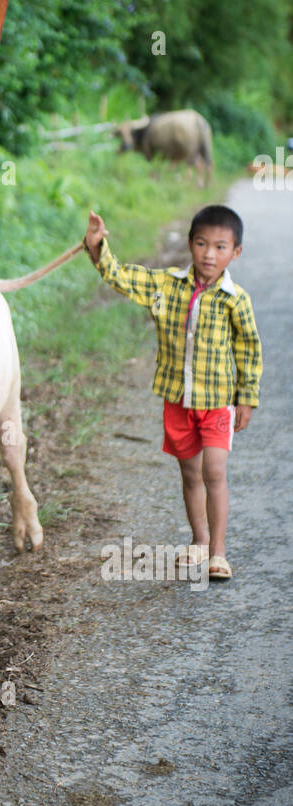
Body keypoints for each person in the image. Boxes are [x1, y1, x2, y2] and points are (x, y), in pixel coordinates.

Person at [83, 204, 262, 582]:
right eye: (201, 244)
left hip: (216, 404)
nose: (209, 254)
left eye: (220, 246)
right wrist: (99, 248)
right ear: (189, 244)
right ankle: (198, 540)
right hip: (178, 401)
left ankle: (218, 552)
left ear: (235, 252)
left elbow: (248, 348)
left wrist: (247, 396)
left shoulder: (236, 299)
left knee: (215, 472)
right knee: (190, 474)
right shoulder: (167, 285)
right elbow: (124, 278)